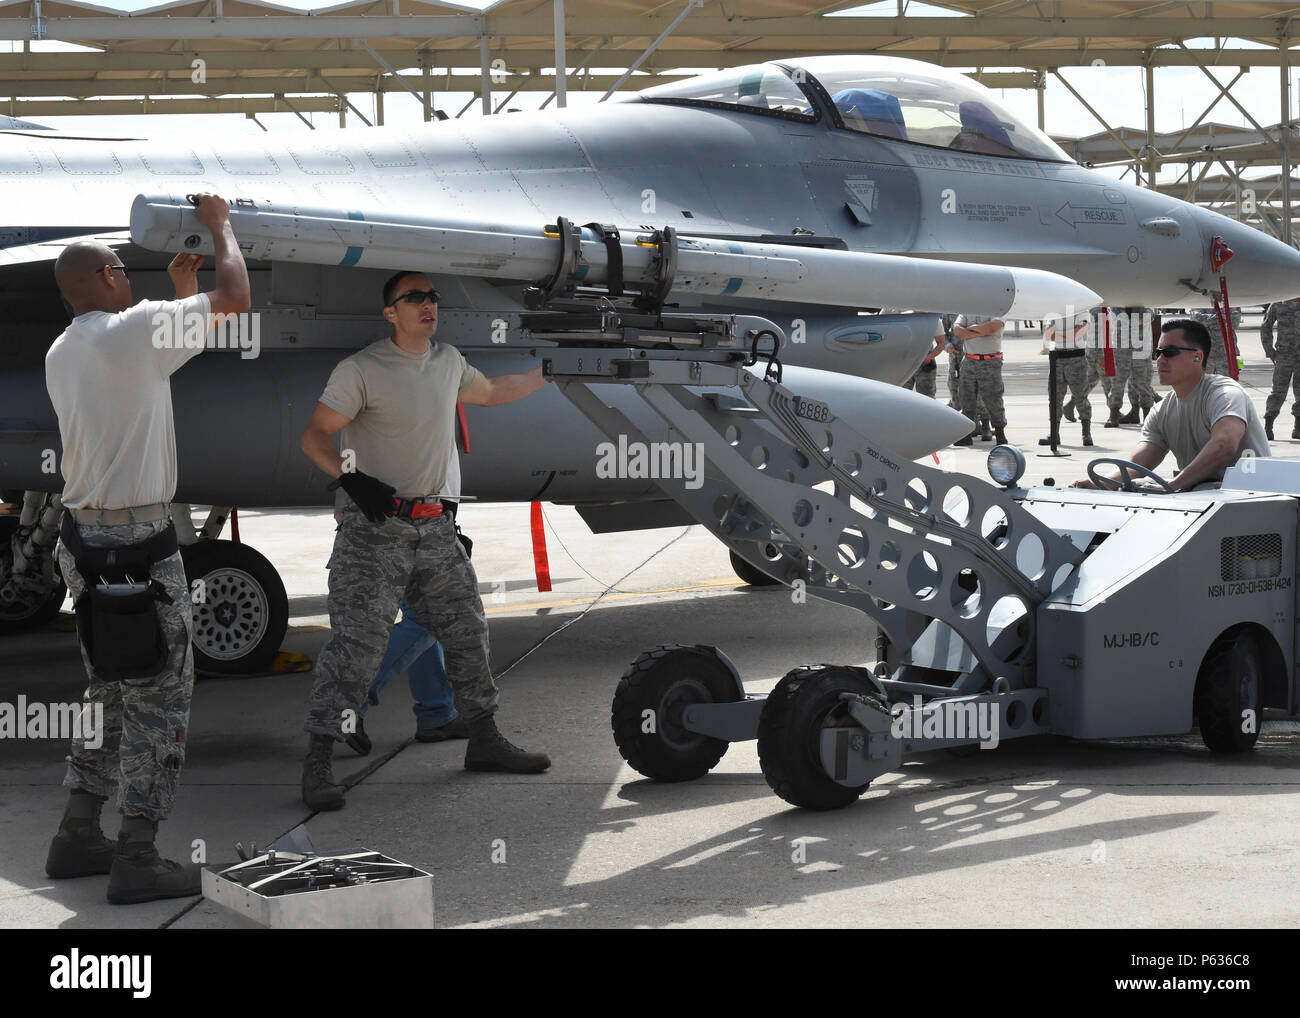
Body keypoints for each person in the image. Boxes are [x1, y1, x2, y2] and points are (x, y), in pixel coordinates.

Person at [43, 194, 250, 903]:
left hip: (86, 542)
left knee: (109, 690)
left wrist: (180, 293)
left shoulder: (65, 350)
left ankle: (76, 835)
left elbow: (160, 358)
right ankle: (136, 854)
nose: (131, 279)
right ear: (104, 279)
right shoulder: (131, 332)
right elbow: (237, 296)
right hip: (140, 540)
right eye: (122, 271)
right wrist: (222, 226)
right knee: (162, 700)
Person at [299, 269, 551, 811]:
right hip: (374, 530)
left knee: (467, 632)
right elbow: (315, 434)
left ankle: (483, 739)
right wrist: (350, 477)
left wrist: (548, 373)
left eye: (432, 297)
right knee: (357, 646)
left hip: (435, 525)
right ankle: (318, 759)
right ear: (390, 312)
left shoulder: (448, 362)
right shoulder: (362, 368)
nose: (427, 304)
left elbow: (493, 391)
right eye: (413, 298)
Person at [1072, 318, 1269, 492]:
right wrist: (1100, 484)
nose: (1160, 360)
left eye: (1170, 352)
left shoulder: (1224, 394)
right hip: (1209, 498)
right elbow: (1137, 465)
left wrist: (1175, 484)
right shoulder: (1161, 411)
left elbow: (1224, 444)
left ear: (1197, 356)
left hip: (1251, 498)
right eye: (1158, 353)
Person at [952, 313, 1006, 446]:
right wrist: (981, 331)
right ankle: (966, 435)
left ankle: (1000, 434)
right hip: (969, 360)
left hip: (990, 361)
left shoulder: (998, 308)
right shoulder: (967, 309)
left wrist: (970, 330)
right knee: (966, 398)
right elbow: (957, 331)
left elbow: (992, 329)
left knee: (993, 399)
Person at [1040, 315, 1093, 447]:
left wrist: (1060, 335)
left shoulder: (1081, 310)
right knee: (1054, 399)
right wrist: (1068, 335)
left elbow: (1077, 334)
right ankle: (1054, 433)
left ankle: (1086, 433)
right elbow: (1048, 335)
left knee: (1081, 396)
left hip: (1076, 358)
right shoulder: (1055, 310)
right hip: (1057, 359)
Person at [1260, 296, 1300, 440]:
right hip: (1284, 354)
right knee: (1278, 391)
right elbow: (1266, 325)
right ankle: (1268, 425)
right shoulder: (1278, 302)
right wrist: (1269, 350)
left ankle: (1298, 427)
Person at [902, 332, 944, 398]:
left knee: (927, 399)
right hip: (904, 365)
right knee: (901, 398)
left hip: (925, 365)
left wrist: (929, 357)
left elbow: (941, 342)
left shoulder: (932, 321)